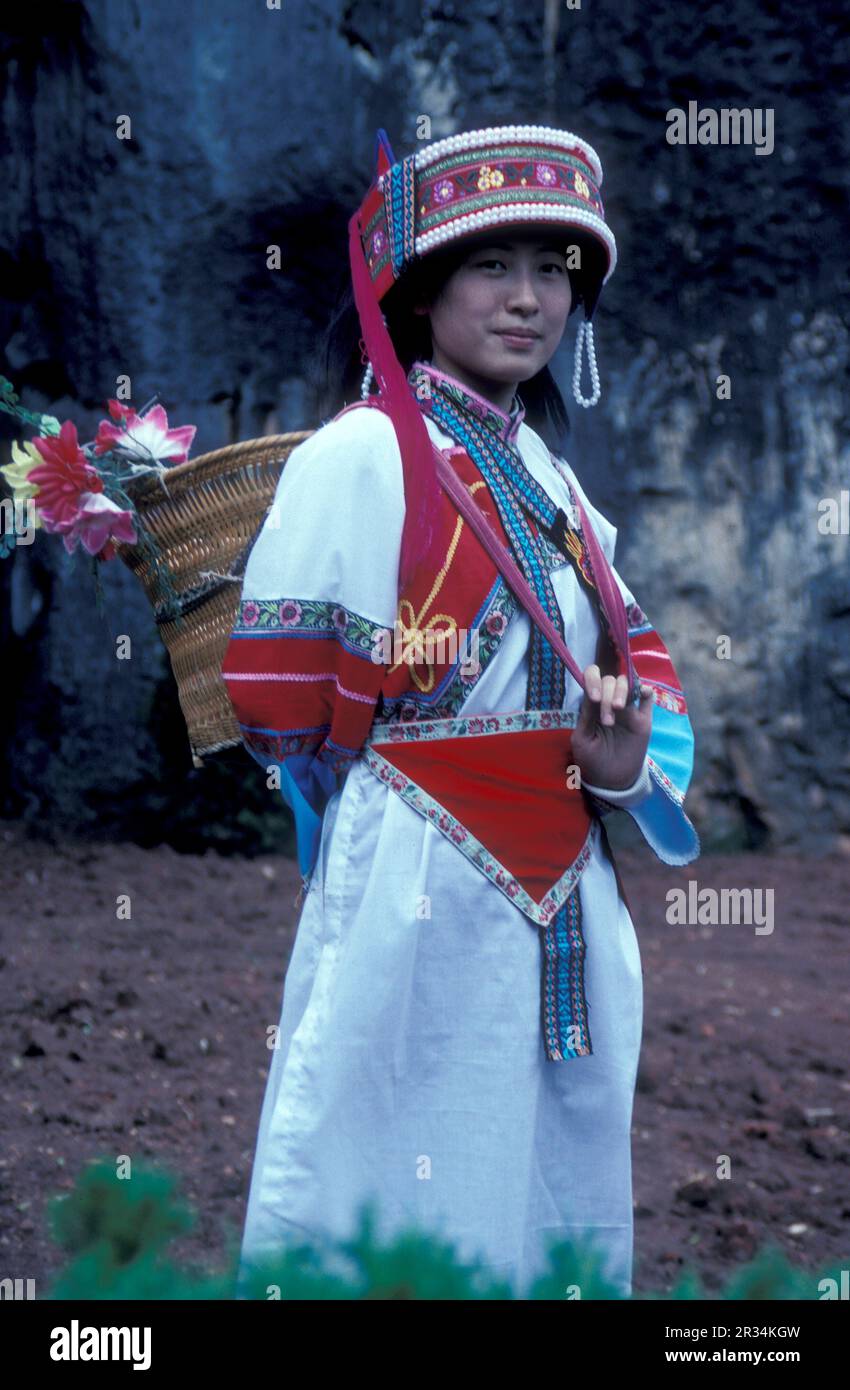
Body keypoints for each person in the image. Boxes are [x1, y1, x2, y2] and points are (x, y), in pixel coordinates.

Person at [221, 124, 700, 1298]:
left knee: (550, 1169)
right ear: (422, 288)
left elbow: (641, 672)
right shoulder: (359, 458)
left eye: (553, 270)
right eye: (494, 266)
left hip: (567, 893)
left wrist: (623, 758)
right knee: (388, 1148)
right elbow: (278, 700)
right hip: (418, 880)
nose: (529, 299)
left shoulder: (556, 482)